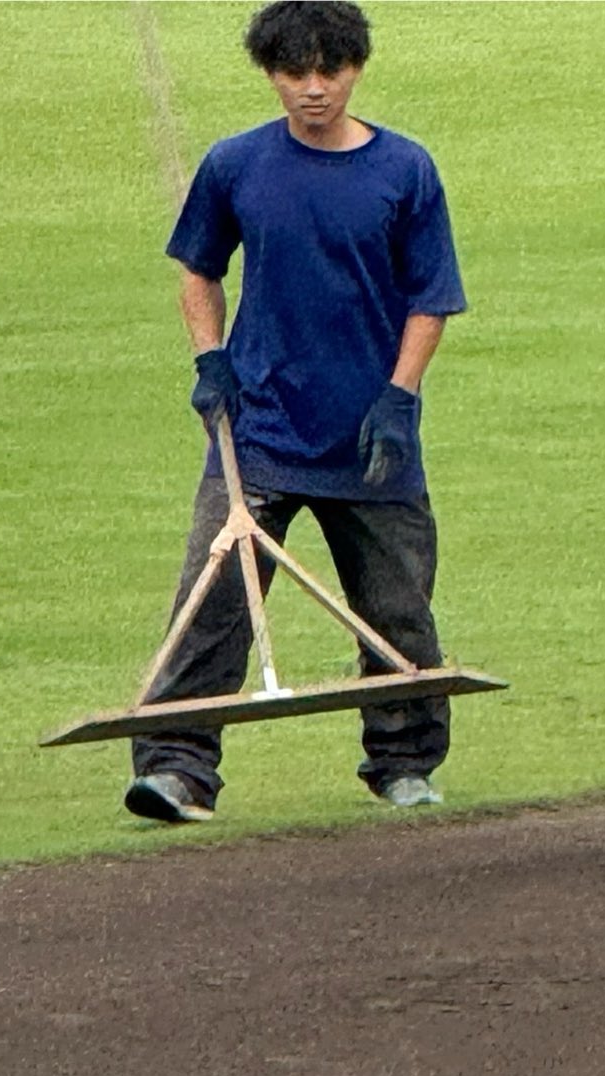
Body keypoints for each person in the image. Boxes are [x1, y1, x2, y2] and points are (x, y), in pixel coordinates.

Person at [126, 0, 468, 826]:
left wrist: (398, 396)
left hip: (369, 438)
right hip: (258, 432)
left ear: (355, 69)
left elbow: (431, 297)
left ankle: (402, 762)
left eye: (329, 70)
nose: (312, 89)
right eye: (293, 73)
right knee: (211, 604)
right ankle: (176, 770)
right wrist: (210, 361)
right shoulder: (235, 164)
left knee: (396, 610)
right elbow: (197, 269)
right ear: (270, 74)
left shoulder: (405, 170)